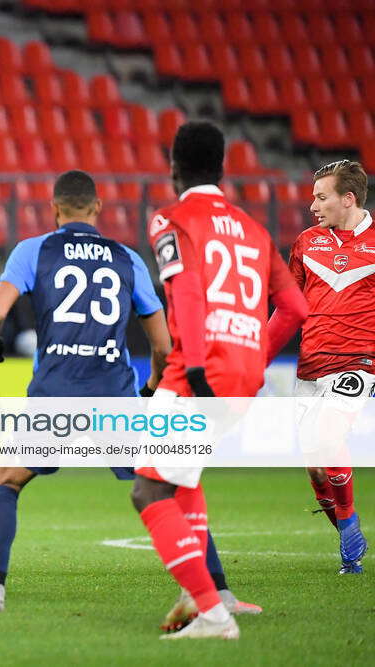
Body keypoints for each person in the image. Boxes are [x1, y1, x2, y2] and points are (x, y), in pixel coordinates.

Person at [0, 169, 244, 617]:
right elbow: (163, 344)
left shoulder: (34, 250)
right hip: (115, 395)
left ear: (54, 210)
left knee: (8, 480)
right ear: (98, 209)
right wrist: (150, 387)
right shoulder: (127, 257)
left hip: (54, 394)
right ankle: (220, 594)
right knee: (167, 488)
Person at [135, 121, 308, 639]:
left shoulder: (170, 219)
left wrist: (191, 365)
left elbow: (185, 290)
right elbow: (296, 307)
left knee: (147, 489)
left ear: (173, 167)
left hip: (196, 373)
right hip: (242, 378)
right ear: (223, 169)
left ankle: (213, 612)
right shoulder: (254, 230)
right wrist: (254, 355)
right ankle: (196, 595)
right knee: (183, 481)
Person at [279, 159, 370, 574]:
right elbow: (289, 308)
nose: (312, 205)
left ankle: (350, 524)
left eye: (321, 197)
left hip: (357, 361)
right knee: (315, 463)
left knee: (329, 435)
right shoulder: (306, 243)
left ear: (347, 198)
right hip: (310, 366)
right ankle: (349, 547)